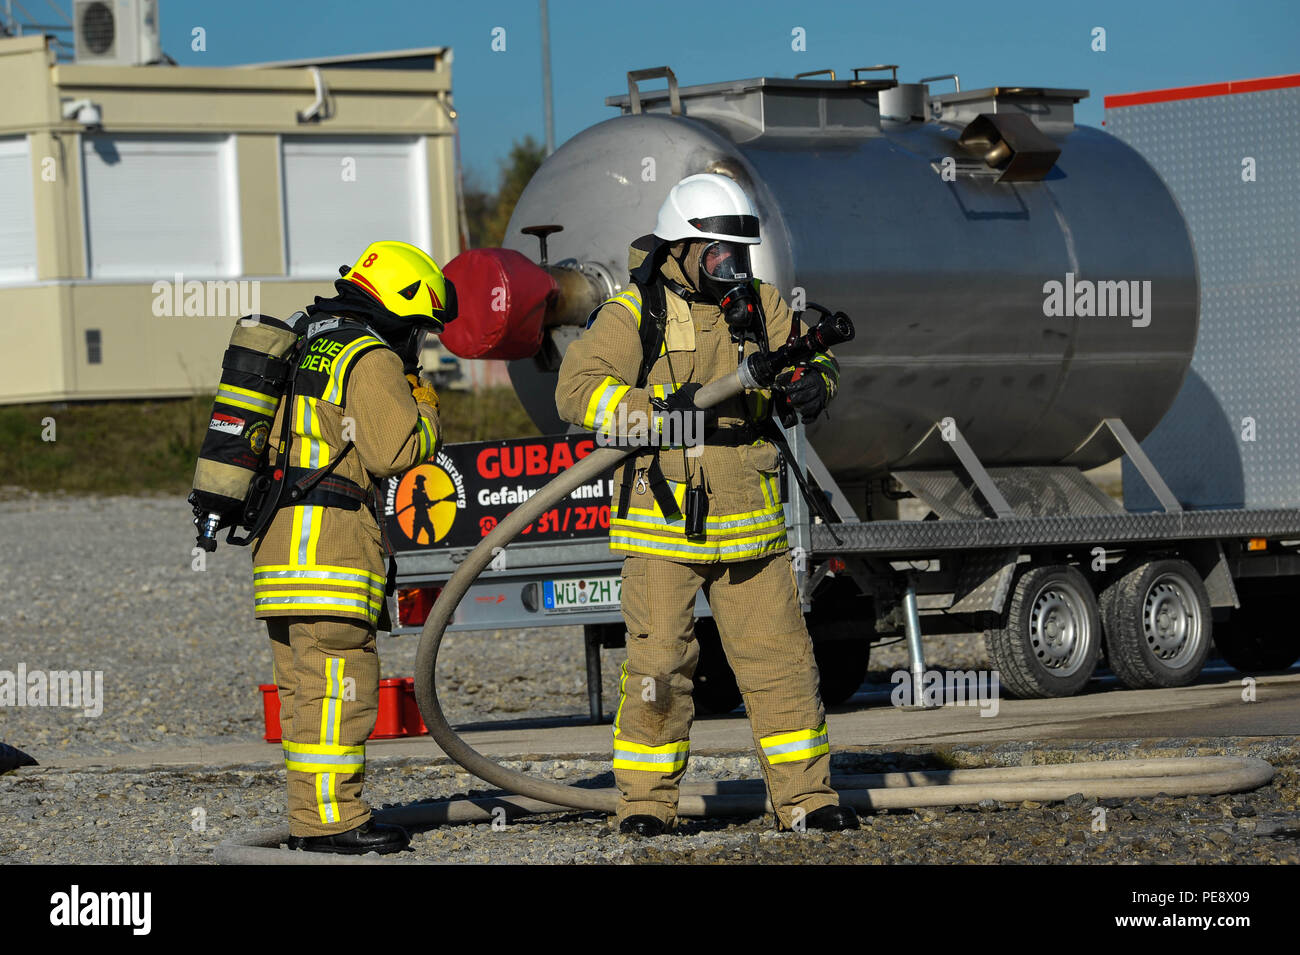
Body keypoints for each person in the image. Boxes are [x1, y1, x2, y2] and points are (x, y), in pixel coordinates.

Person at [555, 173, 858, 835]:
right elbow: (577, 391)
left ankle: (806, 800)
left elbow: (811, 361)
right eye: (720, 253)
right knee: (660, 667)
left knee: (781, 662)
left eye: (741, 253)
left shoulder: (762, 305)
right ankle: (644, 806)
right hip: (662, 521)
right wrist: (651, 413)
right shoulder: (635, 313)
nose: (734, 268)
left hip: (750, 521)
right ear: (682, 249)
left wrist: (813, 385)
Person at [252, 240, 454, 854]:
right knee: (341, 687)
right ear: (402, 307)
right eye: (421, 328)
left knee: (306, 693)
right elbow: (395, 451)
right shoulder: (366, 357)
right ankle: (333, 823)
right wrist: (423, 398)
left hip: (280, 551)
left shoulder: (308, 339)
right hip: (330, 552)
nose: (418, 343)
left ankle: (313, 816)